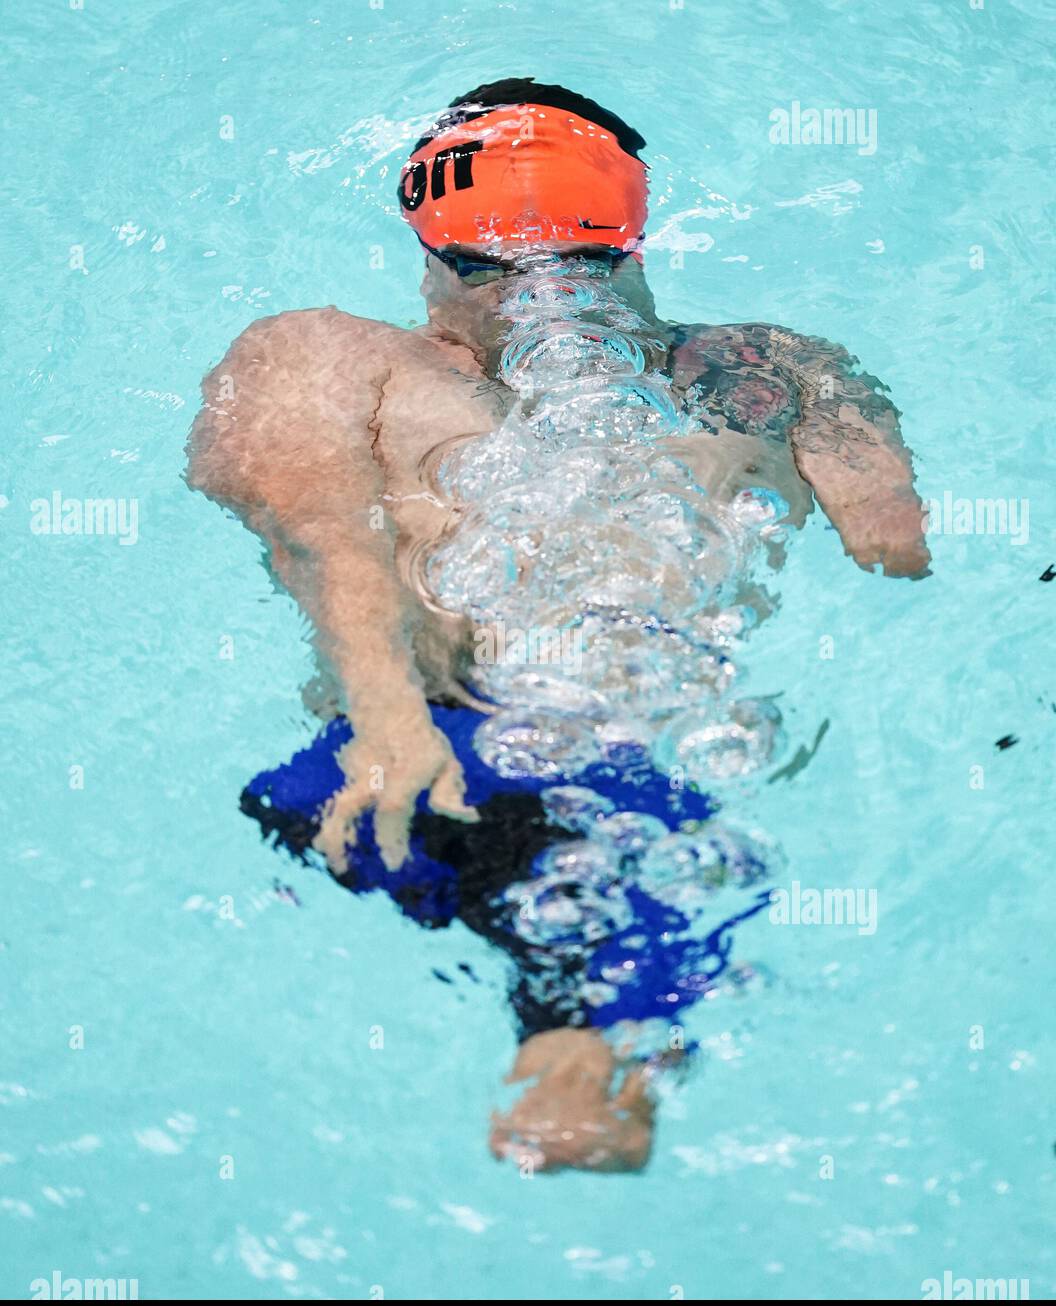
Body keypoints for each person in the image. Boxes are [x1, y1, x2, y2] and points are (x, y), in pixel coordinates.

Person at [187, 78, 930, 1173]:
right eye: (496, 265)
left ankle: (578, 1043)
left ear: (427, 248)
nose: (525, 296)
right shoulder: (779, 370)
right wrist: (390, 712)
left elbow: (898, 550)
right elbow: (898, 553)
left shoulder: (331, 353)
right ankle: (578, 1046)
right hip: (428, 750)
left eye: (561, 261)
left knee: (600, 831)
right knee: (589, 853)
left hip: (544, 760)